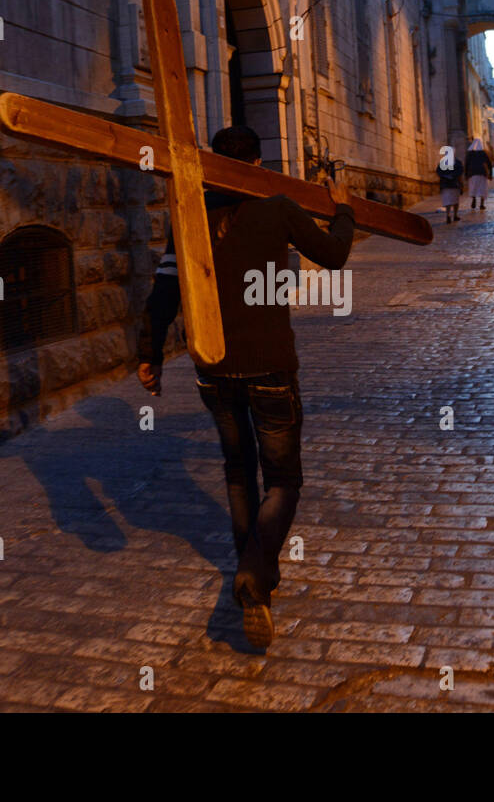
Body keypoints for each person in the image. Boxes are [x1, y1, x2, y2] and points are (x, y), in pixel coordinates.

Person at [136, 125, 355, 650]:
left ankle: (250, 573)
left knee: (239, 472)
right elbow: (334, 255)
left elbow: (164, 290)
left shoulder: (190, 216)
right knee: (283, 481)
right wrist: (342, 209)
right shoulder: (278, 207)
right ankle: (254, 579)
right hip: (271, 365)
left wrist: (148, 354)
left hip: (214, 366)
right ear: (258, 164)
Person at [437, 147, 464, 224]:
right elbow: (460, 175)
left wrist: (444, 178)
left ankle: (448, 215)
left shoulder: (442, 162)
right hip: (454, 184)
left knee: (447, 201)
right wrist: (461, 184)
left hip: (445, 185)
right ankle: (455, 215)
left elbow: (439, 173)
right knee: (455, 200)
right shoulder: (457, 162)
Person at [464, 138, 492, 211]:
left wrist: (466, 174)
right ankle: (482, 204)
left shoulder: (470, 153)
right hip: (482, 173)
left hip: (472, 173)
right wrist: (490, 174)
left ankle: (474, 199)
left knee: (473, 187)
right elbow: (489, 164)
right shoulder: (483, 153)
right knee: (483, 188)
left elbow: (466, 164)